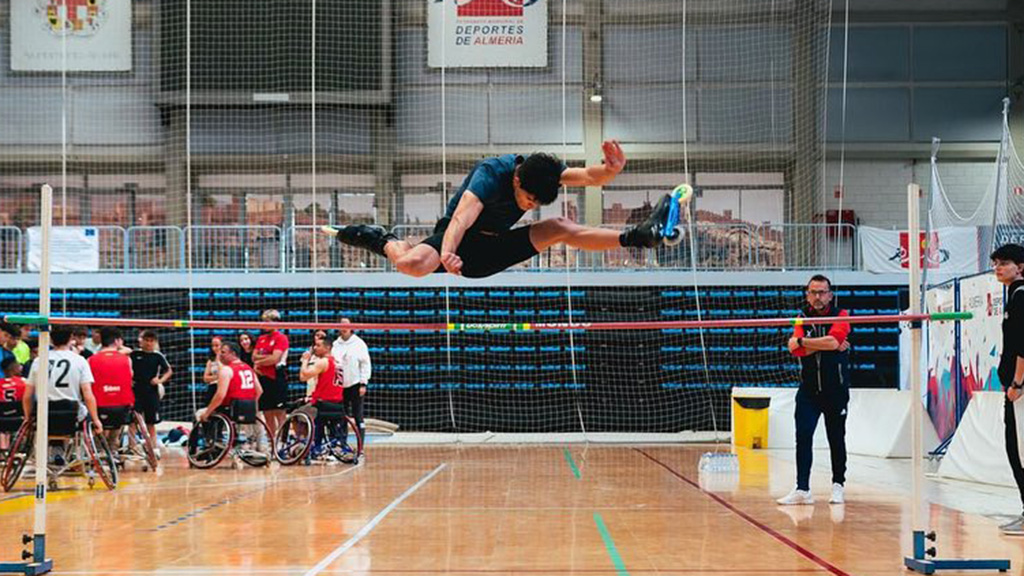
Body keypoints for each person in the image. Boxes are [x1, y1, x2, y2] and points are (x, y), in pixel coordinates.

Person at [325, 140, 688, 278]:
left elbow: (587, 176)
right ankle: (380, 237)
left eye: (535, 203)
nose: (530, 206)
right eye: (528, 200)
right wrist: (448, 254)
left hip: (494, 248)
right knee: (412, 264)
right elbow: (461, 219)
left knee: (558, 226)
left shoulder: (543, 173)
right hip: (461, 242)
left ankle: (637, 238)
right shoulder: (490, 175)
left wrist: (610, 171)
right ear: (516, 180)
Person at [777, 274, 851, 506]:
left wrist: (804, 342)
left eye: (822, 292)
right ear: (807, 294)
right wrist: (820, 343)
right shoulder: (801, 317)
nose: (818, 297)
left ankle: (838, 485)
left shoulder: (842, 315)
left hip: (835, 390)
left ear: (830, 294)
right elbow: (796, 349)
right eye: (813, 292)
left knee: (836, 438)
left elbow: (833, 341)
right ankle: (802, 489)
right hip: (808, 391)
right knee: (803, 436)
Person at [992, 244, 1024, 535]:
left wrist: (1017, 383)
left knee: (1019, 452)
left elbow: (1023, 344)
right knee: (1014, 451)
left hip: (1020, 390)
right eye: (995, 263)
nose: (998, 267)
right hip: (1014, 388)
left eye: (1004, 262)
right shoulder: (1013, 295)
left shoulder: (1020, 295)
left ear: (1021, 267)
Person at [24, 327, 103, 435]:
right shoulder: (80, 360)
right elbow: (87, 393)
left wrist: (27, 418)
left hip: (44, 414)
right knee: (84, 415)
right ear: (71, 339)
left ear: (51, 340)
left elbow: (28, 395)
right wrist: (96, 419)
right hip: (71, 413)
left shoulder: (39, 360)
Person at [331, 318, 371, 452]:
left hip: (355, 385)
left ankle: (361, 446)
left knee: (358, 416)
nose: (343, 327)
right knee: (341, 416)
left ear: (351, 326)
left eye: (346, 325)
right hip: (339, 386)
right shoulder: (335, 344)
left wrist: (363, 383)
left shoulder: (359, 344)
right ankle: (342, 444)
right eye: (341, 324)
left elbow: (365, 364)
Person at [87, 327, 135, 436]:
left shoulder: (91, 360)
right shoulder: (127, 359)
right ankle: (114, 442)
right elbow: (131, 376)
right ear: (117, 341)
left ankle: (100, 444)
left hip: (99, 408)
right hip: (123, 408)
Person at [198, 341, 262, 422]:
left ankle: (212, 434)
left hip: (229, 409)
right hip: (248, 408)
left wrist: (207, 413)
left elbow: (220, 396)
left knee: (200, 414)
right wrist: (251, 405)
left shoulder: (226, 370)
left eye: (223, 352)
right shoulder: (248, 368)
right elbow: (259, 391)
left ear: (233, 353)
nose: (220, 354)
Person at [130, 330, 172, 446]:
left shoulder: (158, 356)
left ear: (155, 342)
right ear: (141, 341)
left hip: (151, 392)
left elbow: (169, 370)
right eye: (146, 340)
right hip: (136, 391)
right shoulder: (134, 354)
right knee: (133, 421)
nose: (148, 343)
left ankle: (153, 448)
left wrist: (160, 380)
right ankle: (131, 447)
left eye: (151, 341)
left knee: (151, 423)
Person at [252, 310, 289, 440]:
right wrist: (264, 359)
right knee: (268, 413)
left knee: (280, 413)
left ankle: (283, 442)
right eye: (264, 321)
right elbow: (253, 357)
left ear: (275, 322)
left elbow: (275, 359)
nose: (265, 324)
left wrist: (260, 360)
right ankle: (272, 442)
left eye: (267, 321)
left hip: (277, 379)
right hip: (264, 379)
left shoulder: (281, 338)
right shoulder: (261, 339)